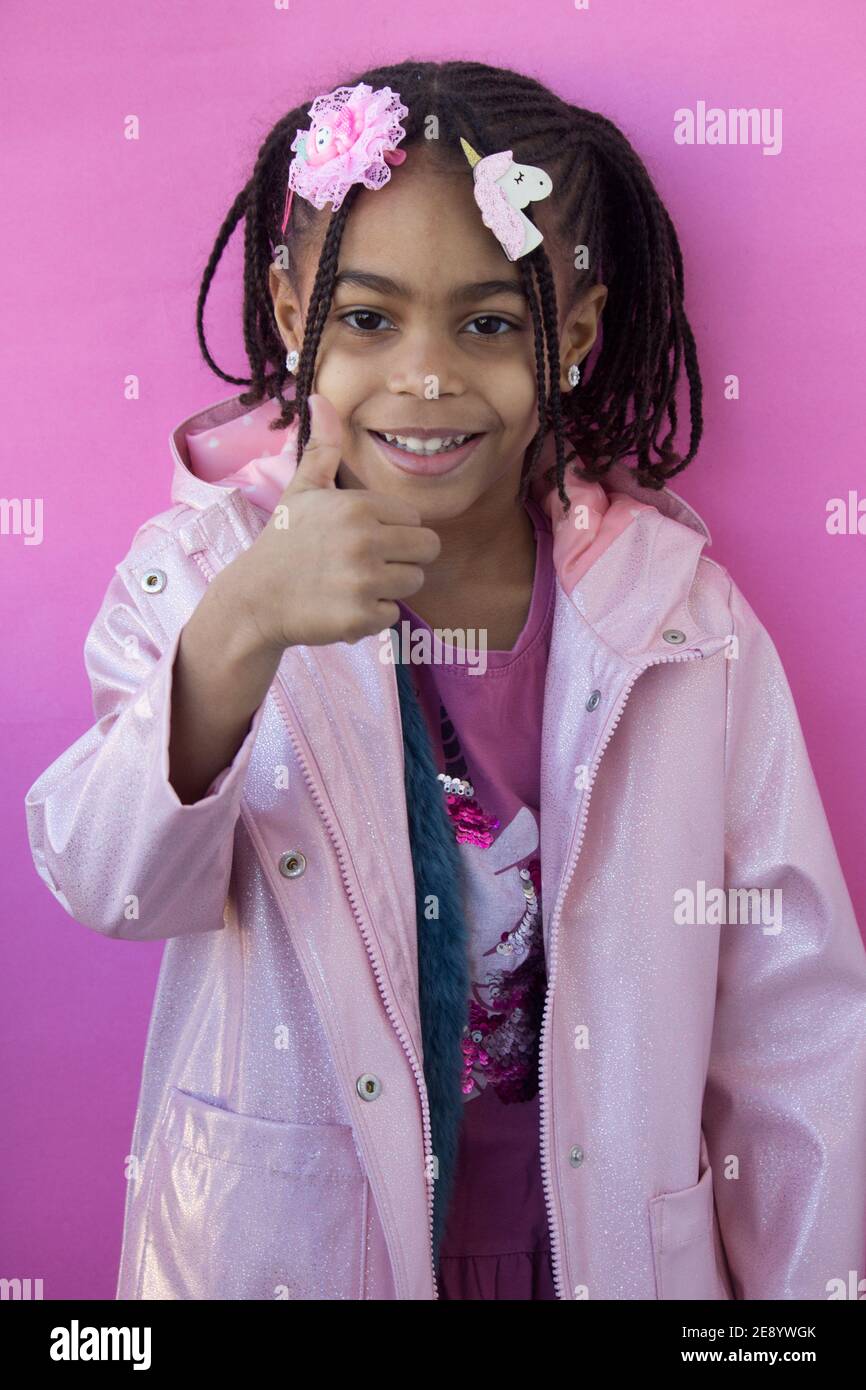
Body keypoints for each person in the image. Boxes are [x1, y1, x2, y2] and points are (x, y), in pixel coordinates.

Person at [24, 60, 866, 1302]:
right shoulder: (201, 570)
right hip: (301, 1247)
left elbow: (793, 1031)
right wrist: (237, 634)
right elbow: (107, 880)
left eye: (487, 322)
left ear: (569, 338)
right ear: (287, 307)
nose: (425, 377)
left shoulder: (682, 625)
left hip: (598, 1250)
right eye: (366, 320)